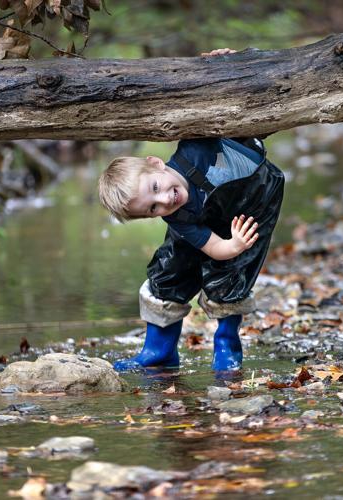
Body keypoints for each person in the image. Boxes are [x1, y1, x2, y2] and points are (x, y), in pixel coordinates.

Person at [97, 50, 285, 372]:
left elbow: (204, 97)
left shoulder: (194, 145)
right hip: (205, 217)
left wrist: (218, 63)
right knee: (172, 267)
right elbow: (214, 246)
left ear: (157, 163)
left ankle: (227, 349)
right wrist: (230, 245)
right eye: (152, 209)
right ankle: (159, 352)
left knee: (230, 274)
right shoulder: (177, 213)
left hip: (253, 197)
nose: (165, 201)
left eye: (156, 188)